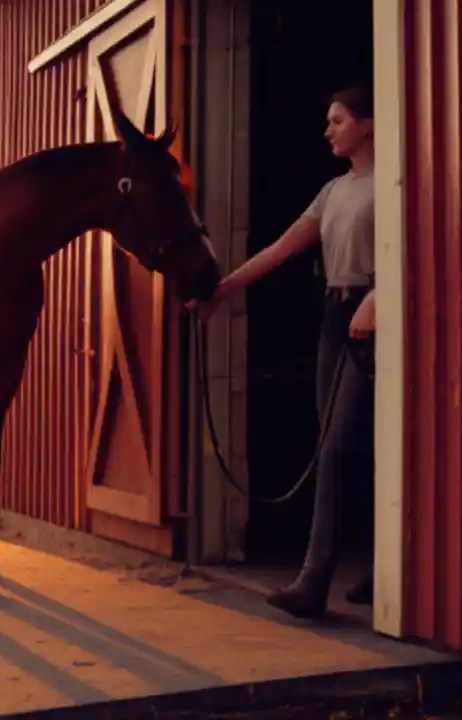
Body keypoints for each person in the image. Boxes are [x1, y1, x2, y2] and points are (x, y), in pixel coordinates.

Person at [190, 85, 377, 619]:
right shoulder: (333, 191)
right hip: (336, 318)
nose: (328, 130)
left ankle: (314, 582)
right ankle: (370, 567)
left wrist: (382, 297)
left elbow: (412, 247)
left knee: (345, 447)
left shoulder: (396, 183)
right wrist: (221, 293)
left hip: (376, 319)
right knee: (336, 449)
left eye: (337, 120)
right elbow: (279, 250)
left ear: (368, 125)